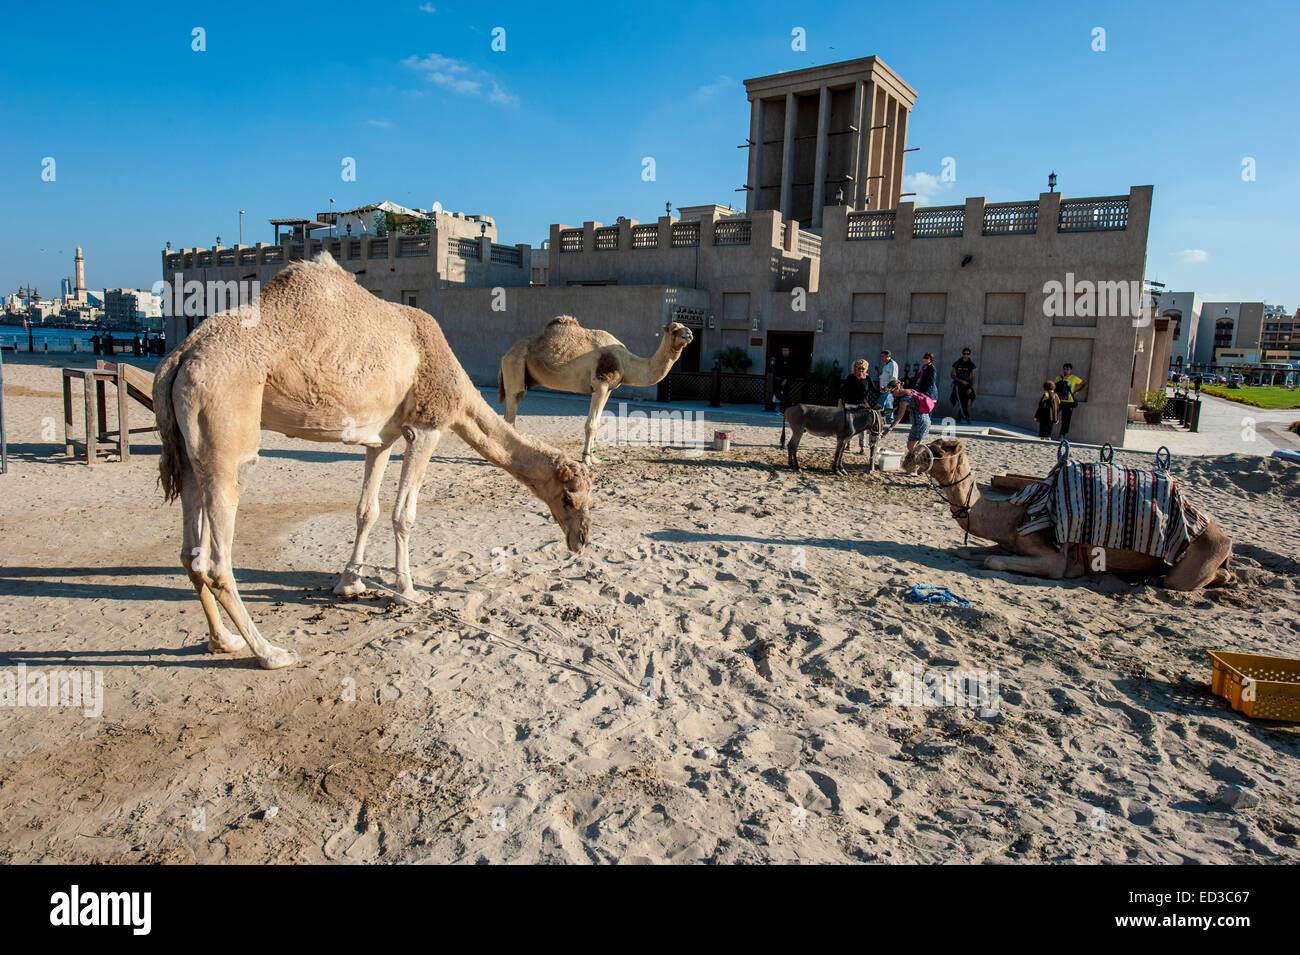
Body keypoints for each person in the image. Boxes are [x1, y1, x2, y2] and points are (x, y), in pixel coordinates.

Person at [881, 379, 935, 452]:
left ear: (897, 387)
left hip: (919, 423)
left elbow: (899, 417)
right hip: (926, 420)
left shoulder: (904, 400)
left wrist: (888, 430)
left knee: (910, 446)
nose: (891, 393)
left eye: (892, 391)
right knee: (917, 447)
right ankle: (919, 461)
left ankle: (919, 461)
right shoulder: (911, 391)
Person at [839, 359, 874, 453]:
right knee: (848, 425)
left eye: (863, 368)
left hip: (862, 405)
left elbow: (874, 390)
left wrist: (884, 390)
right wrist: (840, 402)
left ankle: (862, 447)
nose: (861, 370)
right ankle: (848, 444)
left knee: (862, 427)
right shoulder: (850, 377)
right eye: (859, 368)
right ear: (855, 368)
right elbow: (843, 391)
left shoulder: (867, 378)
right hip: (850, 404)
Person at [1053, 362, 1087, 437]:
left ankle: (1062, 435)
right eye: (1064, 369)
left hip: (1069, 402)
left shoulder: (1074, 378)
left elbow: (1085, 384)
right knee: (1052, 416)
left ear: (1071, 370)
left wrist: (1077, 391)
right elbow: (1054, 388)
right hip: (1059, 401)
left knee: (1066, 420)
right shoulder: (1058, 378)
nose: (1066, 371)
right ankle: (1047, 433)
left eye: (1067, 369)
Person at [950, 348, 976, 424]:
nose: (966, 355)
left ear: (969, 355)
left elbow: (973, 377)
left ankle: (960, 417)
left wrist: (971, 387)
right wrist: (961, 381)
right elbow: (952, 375)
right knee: (960, 402)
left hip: (967, 386)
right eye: (964, 353)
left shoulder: (971, 364)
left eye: (967, 354)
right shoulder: (957, 363)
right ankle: (966, 418)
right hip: (958, 385)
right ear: (962, 354)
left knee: (965, 402)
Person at [877, 349, 899, 422]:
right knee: (888, 404)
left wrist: (889, 388)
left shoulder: (893, 364)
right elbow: (884, 376)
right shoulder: (886, 365)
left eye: (883, 356)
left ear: (888, 356)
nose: (881, 358)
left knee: (881, 402)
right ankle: (889, 418)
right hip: (884, 388)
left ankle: (885, 418)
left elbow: (893, 377)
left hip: (888, 388)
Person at [772, 346, 794, 414]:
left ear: (789, 351)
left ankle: (783, 411)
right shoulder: (780, 359)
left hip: (787, 380)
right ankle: (789, 405)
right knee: (777, 393)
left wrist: (786, 380)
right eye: (783, 350)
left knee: (785, 395)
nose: (784, 352)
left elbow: (791, 371)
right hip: (779, 380)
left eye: (785, 351)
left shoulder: (791, 359)